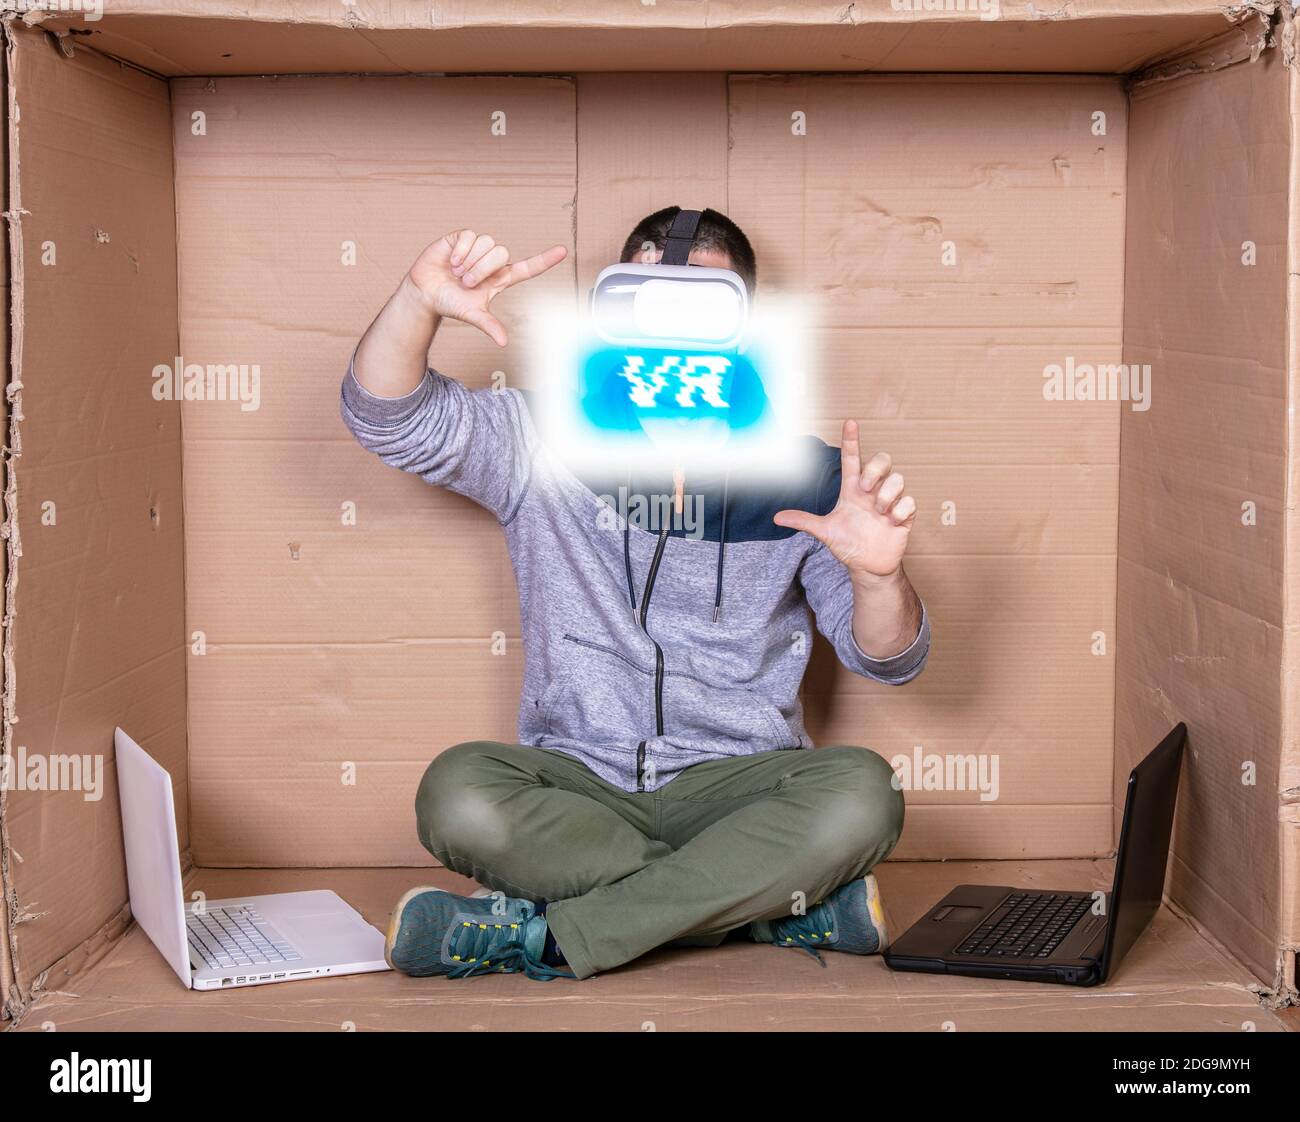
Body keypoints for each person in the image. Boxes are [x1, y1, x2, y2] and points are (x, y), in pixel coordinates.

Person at [342, 206, 930, 981]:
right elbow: (386, 419)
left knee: (865, 792)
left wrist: (880, 577)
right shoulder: (540, 439)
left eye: (706, 308)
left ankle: (546, 937)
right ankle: (755, 905)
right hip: (580, 784)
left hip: (740, 788)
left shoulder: (813, 479)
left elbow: (889, 660)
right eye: (653, 300)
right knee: (457, 793)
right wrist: (419, 300)